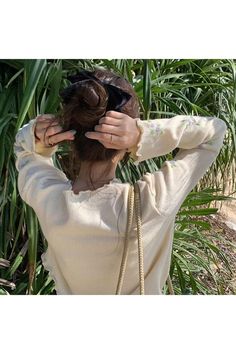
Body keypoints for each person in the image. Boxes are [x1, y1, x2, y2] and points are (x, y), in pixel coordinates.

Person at [13, 68, 227, 295]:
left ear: (71, 138)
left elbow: (24, 150)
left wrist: (36, 137)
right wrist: (142, 134)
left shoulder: (47, 198)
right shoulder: (153, 201)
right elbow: (214, 132)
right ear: (123, 144)